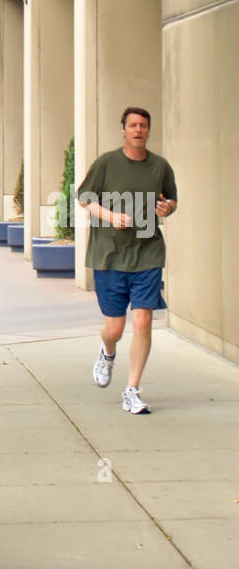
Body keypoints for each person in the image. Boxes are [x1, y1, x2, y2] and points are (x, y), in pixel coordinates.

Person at [76, 107, 177, 414]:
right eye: (132, 125)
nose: (138, 130)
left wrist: (167, 209)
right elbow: (83, 198)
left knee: (144, 319)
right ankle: (107, 352)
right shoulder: (107, 163)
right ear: (123, 130)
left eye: (143, 126)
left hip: (147, 252)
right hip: (109, 254)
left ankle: (131, 390)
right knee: (116, 329)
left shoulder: (160, 166)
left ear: (148, 130)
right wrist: (110, 216)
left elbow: (171, 199)